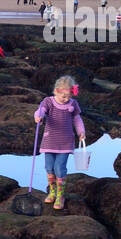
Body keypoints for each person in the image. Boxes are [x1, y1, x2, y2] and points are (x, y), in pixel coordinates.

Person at [34, 75, 86, 212]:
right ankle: (52, 191)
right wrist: (38, 116)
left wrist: (81, 132)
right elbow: (41, 111)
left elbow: (77, 119)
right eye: (63, 96)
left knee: (59, 167)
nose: (66, 99)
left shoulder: (73, 104)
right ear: (56, 91)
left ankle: (60, 196)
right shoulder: (48, 101)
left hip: (66, 141)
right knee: (49, 167)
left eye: (68, 97)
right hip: (50, 140)